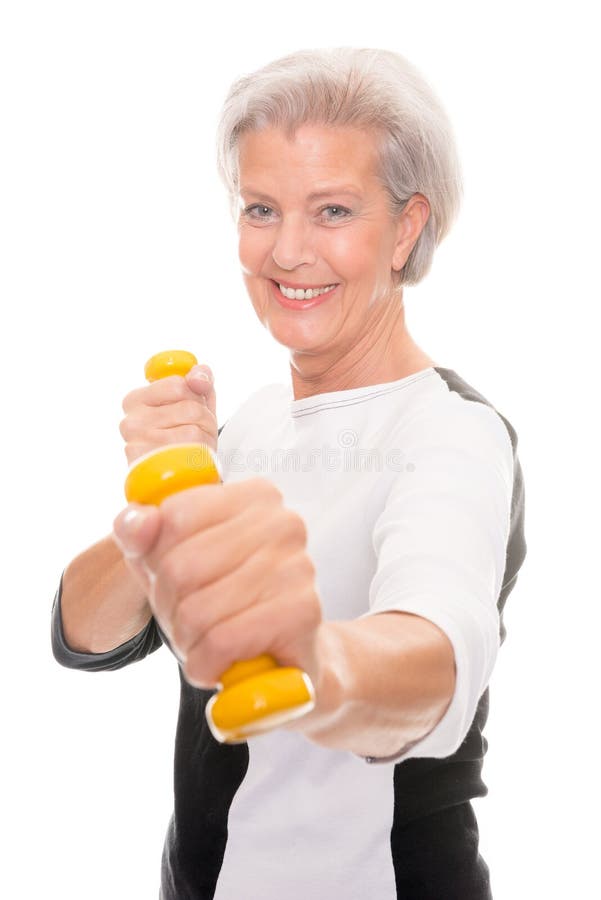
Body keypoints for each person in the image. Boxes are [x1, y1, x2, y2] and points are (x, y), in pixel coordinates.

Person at [51, 47, 527, 899]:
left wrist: (312, 661)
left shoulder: (451, 433)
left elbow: (433, 662)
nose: (288, 251)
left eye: (333, 210)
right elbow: (82, 637)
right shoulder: (254, 422)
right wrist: (170, 500)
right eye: (261, 208)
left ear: (406, 228)